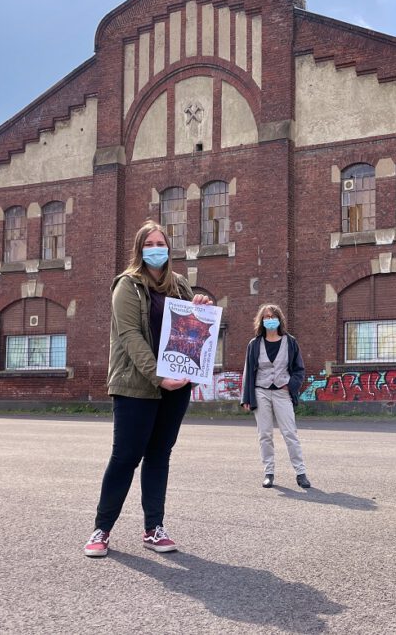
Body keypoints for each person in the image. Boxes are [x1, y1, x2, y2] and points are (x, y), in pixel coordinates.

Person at [84, 221, 212, 557]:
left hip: (177, 386)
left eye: (162, 243)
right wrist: (158, 375)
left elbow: (194, 327)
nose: (157, 248)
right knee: (125, 457)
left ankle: (153, 528)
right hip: (135, 386)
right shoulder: (127, 285)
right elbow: (129, 337)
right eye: (150, 243)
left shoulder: (180, 285)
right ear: (140, 249)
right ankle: (102, 529)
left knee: (159, 456)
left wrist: (200, 304)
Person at [241, 304, 310, 489]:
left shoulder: (290, 342)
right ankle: (269, 473)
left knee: (290, 433)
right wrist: (246, 398)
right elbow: (248, 372)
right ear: (261, 321)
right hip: (260, 391)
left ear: (279, 319)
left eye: (273, 316)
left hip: (282, 392)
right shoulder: (254, 344)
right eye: (266, 317)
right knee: (265, 434)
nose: (270, 319)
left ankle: (301, 473)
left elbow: (299, 369)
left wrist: (291, 386)